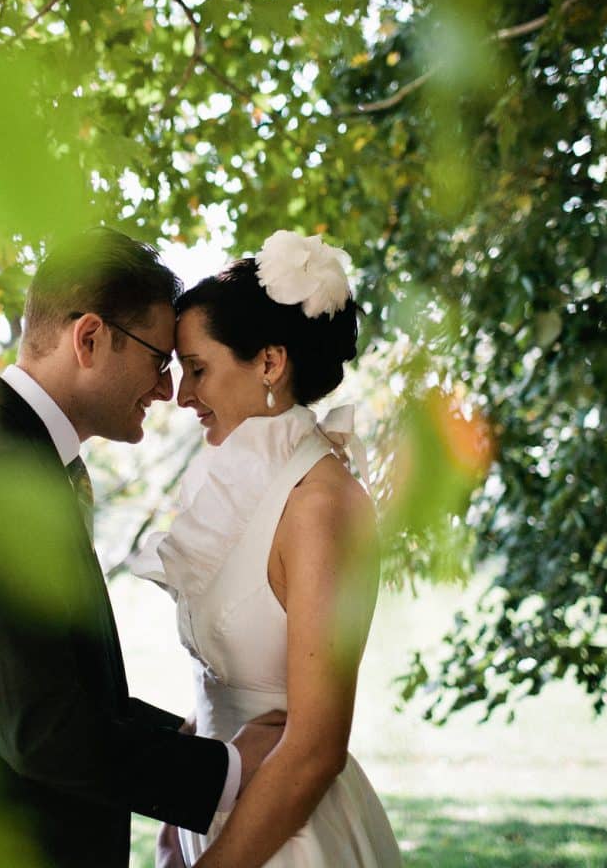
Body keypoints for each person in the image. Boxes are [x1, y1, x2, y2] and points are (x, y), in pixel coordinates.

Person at [0, 228, 285, 868]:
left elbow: (49, 679)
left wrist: (180, 736)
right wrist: (229, 771)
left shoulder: (23, 457)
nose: (166, 391)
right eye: (159, 360)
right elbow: (41, 732)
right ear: (90, 339)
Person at [132, 230, 401, 867]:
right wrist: (176, 832)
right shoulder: (244, 491)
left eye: (197, 369)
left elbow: (314, 748)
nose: (182, 395)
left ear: (269, 364)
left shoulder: (322, 507)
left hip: (288, 839)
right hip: (219, 817)